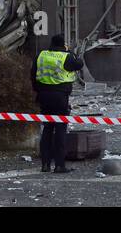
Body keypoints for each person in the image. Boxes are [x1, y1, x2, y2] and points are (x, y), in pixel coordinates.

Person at [32, 33, 84, 174]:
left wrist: (38, 91)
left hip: (43, 96)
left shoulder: (41, 55)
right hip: (60, 97)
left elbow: (33, 74)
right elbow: (79, 63)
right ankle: (60, 165)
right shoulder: (66, 56)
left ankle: (45, 164)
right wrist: (69, 51)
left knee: (47, 129)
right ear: (63, 45)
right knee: (60, 130)